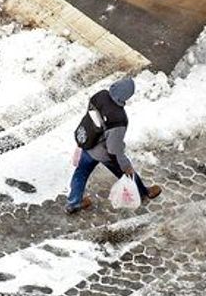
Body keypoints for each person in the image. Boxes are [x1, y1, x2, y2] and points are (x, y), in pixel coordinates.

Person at [66, 78, 161, 214]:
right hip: (104, 153)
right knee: (127, 173)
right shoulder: (118, 118)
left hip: (87, 142)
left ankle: (73, 203)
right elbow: (114, 149)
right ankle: (143, 193)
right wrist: (126, 166)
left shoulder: (100, 95)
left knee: (81, 173)